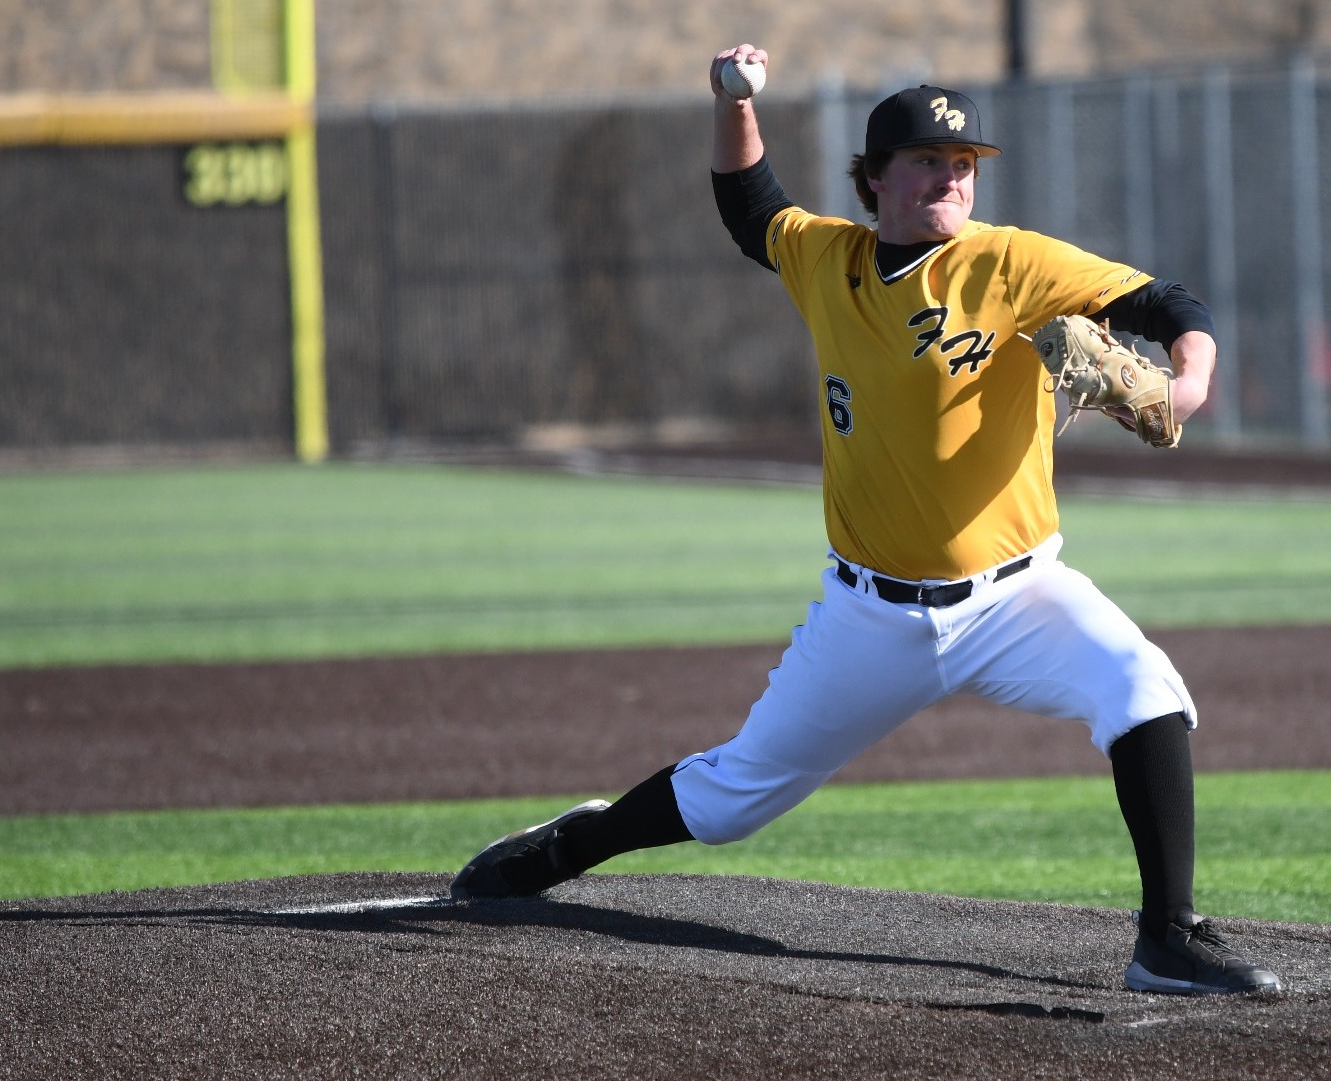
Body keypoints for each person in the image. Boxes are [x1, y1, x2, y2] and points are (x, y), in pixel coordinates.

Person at [450, 43, 1282, 997]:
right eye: (929, 160)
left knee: (1145, 686)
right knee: (728, 804)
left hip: (1020, 593)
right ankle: (572, 842)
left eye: (963, 165)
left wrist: (1190, 374)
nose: (951, 179)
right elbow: (748, 203)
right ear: (876, 177)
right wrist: (733, 100)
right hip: (870, 615)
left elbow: (1168, 300)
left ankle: (1167, 937)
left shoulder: (1011, 263)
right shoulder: (827, 259)